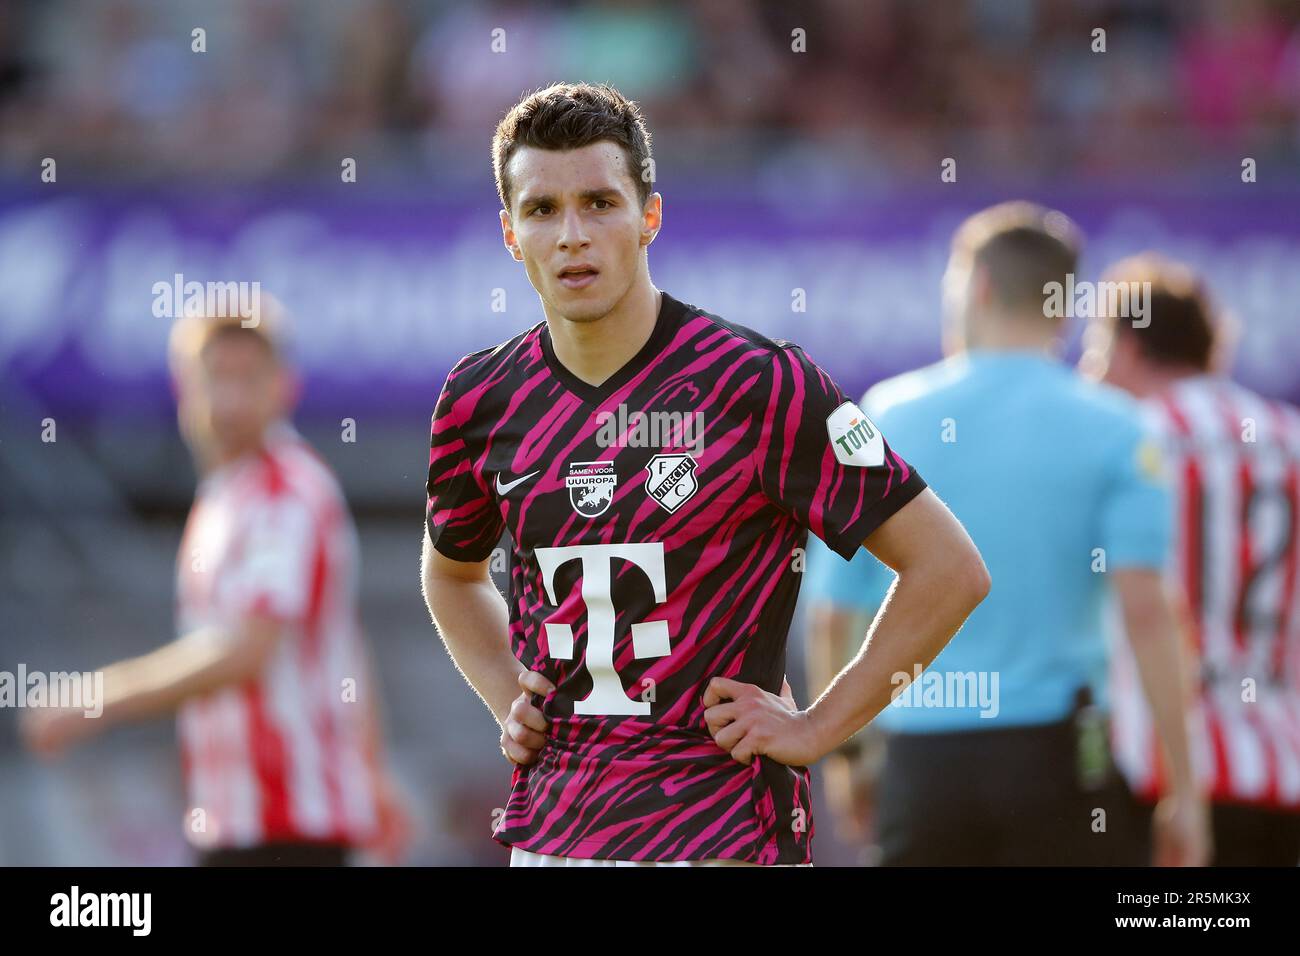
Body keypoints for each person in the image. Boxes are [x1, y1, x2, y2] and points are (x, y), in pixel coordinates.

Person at [420, 82, 989, 867]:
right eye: (543, 210)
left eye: (600, 203)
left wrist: (818, 727)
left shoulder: (758, 383)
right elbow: (451, 578)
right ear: (511, 235)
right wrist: (506, 696)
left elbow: (949, 569)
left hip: (720, 834)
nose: (572, 235)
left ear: (649, 215)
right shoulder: (479, 397)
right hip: (554, 835)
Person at [804, 202, 1209, 866]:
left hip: (924, 760)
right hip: (1064, 756)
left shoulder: (886, 416)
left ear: (979, 288)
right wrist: (1185, 790)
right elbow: (1148, 610)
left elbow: (831, 615)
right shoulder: (1121, 428)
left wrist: (850, 755)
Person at [22, 298, 408, 866]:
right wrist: (374, 772)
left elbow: (245, 650)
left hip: (289, 826)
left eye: (247, 379)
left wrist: (98, 698)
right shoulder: (225, 497)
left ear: (285, 387)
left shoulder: (287, 492)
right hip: (237, 823)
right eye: (213, 379)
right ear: (184, 390)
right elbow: (341, 640)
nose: (227, 400)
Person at [1084, 252, 1300, 866]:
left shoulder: (1127, 437)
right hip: (1283, 771)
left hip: (1156, 774)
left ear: (1126, 346)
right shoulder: (1289, 436)